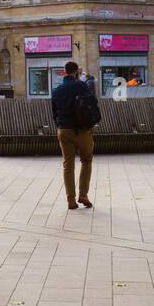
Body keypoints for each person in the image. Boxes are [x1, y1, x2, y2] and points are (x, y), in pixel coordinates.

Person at [51, 60, 95, 209]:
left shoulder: (56, 90)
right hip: (82, 130)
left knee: (68, 164)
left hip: (64, 130)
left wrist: (61, 125)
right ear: (77, 72)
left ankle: (70, 199)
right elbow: (91, 103)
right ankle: (83, 195)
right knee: (86, 160)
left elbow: (54, 113)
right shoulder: (81, 85)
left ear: (64, 72)